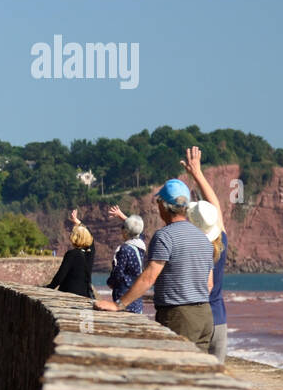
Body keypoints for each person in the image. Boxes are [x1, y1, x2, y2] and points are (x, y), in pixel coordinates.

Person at [94, 179, 215, 351]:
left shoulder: (164, 236)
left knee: (174, 370)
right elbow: (209, 284)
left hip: (178, 315)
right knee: (197, 372)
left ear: (163, 206)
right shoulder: (203, 238)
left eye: (159, 202)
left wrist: (118, 305)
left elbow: (149, 277)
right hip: (205, 315)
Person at [182, 146, 229, 364]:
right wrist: (198, 174)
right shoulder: (221, 239)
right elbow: (216, 208)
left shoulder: (191, 246)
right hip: (219, 321)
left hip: (196, 321)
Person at [105, 206, 147, 312]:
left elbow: (118, 272)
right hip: (136, 293)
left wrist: (110, 282)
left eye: (123, 227)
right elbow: (137, 230)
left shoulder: (124, 249)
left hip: (124, 295)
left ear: (125, 232)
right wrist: (121, 215)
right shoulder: (140, 245)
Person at [47, 224, 96, 298]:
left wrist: (49, 288)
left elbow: (60, 276)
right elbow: (91, 242)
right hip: (85, 295)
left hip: (69, 293)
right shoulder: (90, 254)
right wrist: (79, 223)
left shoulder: (72, 254)